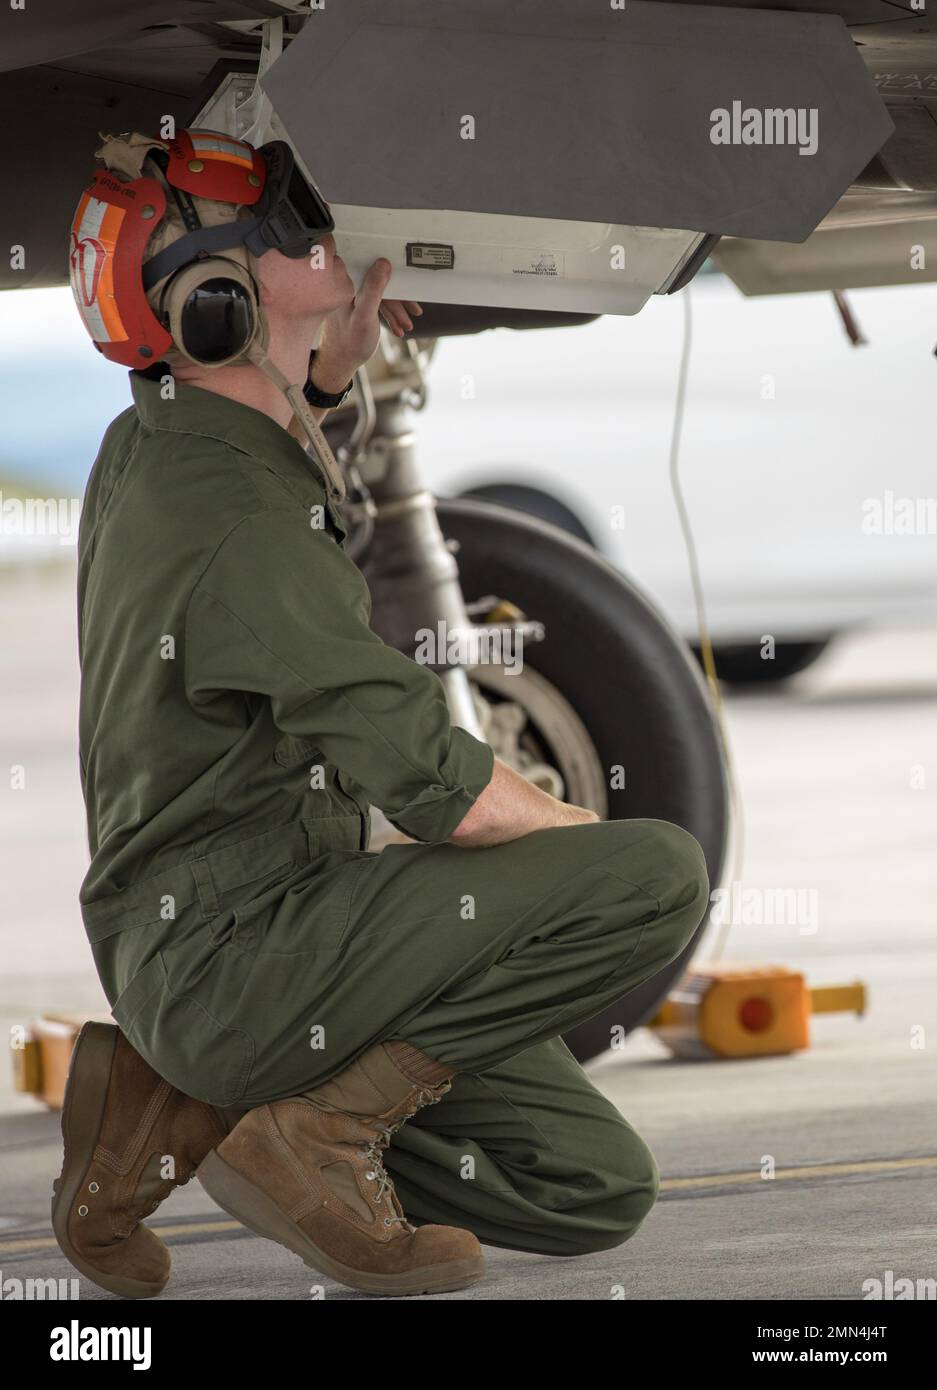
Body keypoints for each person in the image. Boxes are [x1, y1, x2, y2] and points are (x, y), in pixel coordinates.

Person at [54, 127, 710, 1299]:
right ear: (217, 302)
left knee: (594, 1183)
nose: (323, 236)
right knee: (656, 872)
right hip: (244, 955)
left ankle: (193, 1101)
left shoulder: (156, 446)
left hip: (244, 942)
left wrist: (319, 373)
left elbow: (260, 552)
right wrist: (576, 850)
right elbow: (434, 786)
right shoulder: (239, 525)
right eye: (287, 232)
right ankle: (310, 1131)